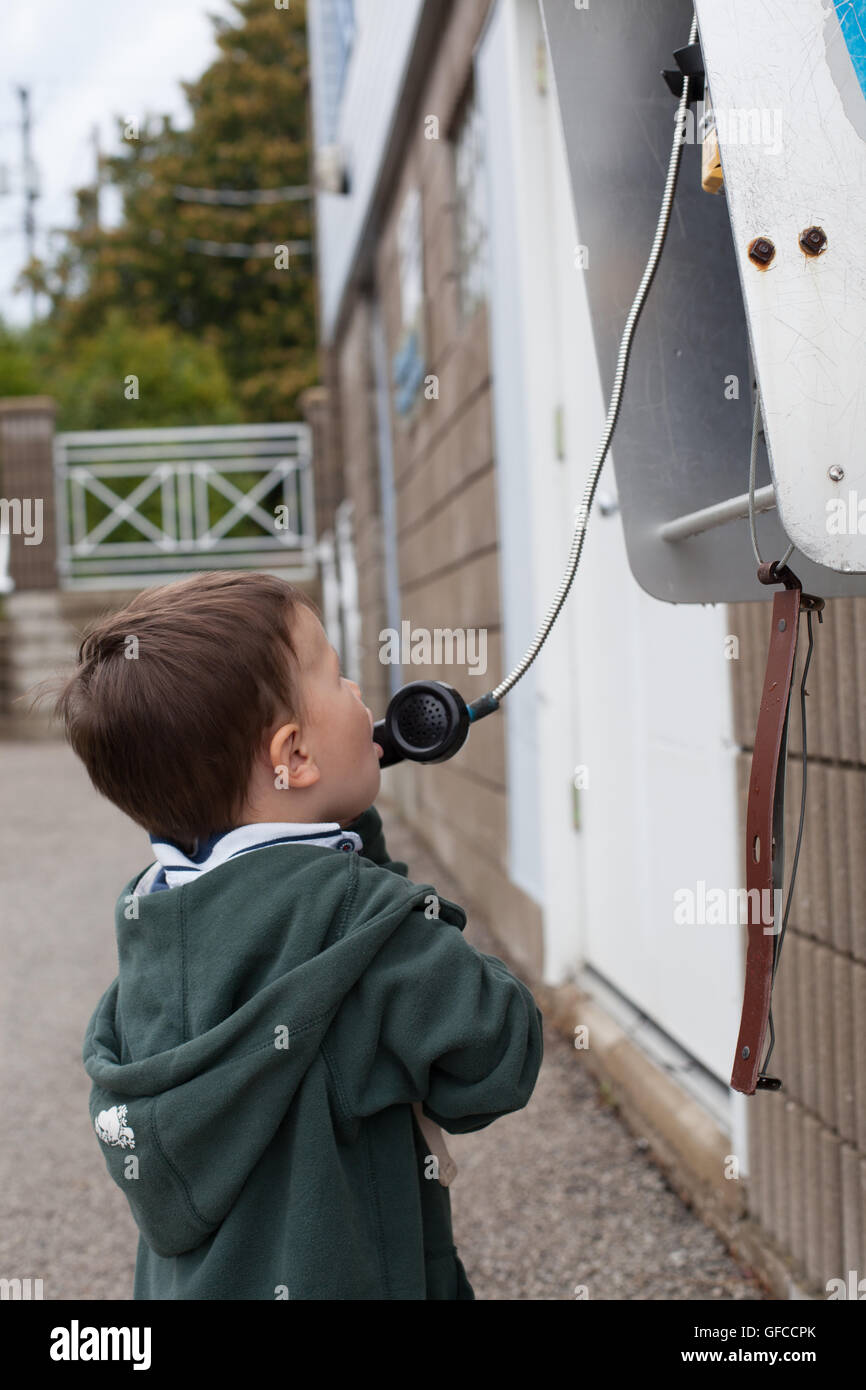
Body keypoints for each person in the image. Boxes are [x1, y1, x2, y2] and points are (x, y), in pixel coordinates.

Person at [52, 570, 544, 1300]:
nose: (359, 697)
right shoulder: (368, 933)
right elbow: (496, 1063)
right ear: (294, 757)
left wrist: (348, 846)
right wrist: (388, 897)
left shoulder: (152, 917)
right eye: (340, 679)